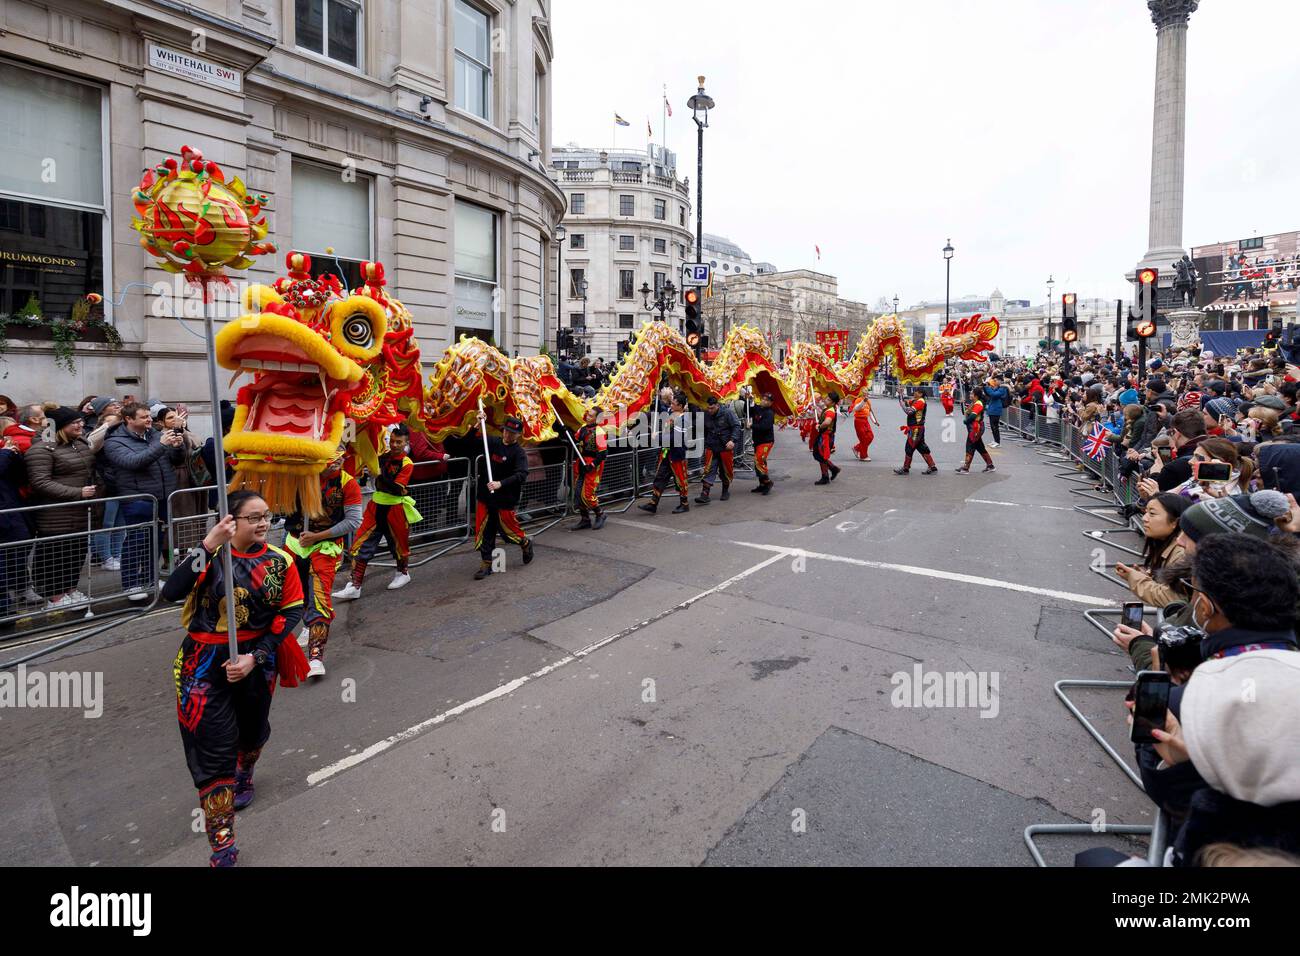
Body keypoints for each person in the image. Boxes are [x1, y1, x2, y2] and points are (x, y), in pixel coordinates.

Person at [163, 490, 309, 866]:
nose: (263, 523)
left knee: (253, 732)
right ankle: (223, 845)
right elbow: (170, 593)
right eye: (253, 517)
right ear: (231, 521)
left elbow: (293, 611)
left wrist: (256, 656)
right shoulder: (208, 558)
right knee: (212, 751)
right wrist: (209, 542)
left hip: (254, 661)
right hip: (201, 662)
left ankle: (246, 770)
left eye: (267, 516)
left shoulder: (281, 561)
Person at [284, 450, 363, 678]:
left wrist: (317, 537)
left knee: (320, 599)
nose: (337, 459)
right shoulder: (301, 476)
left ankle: (316, 657)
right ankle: (306, 626)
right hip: (294, 544)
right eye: (331, 455)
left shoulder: (348, 483)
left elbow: (353, 521)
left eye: (340, 453)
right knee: (294, 596)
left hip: (324, 548)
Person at [98, 401, 186, 600]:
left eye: (149, 416)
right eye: (144, 417)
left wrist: (178, 446)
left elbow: (176, 459)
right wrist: (161, 444)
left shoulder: (154, 434)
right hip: (138, 497)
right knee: (136, 542)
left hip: (163, 496)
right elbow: (134, 462)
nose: (149, 420)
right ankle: (130, 585)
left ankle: (149, 579)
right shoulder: (115, 441)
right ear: (129, 419)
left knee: (155, 540)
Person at [24, 407, 99, 610]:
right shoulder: (41, 449)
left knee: (76, 553)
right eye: (75, 422)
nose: (81, 425)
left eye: (81, 421)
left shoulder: (80, 444)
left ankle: (70, 590)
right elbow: (40, 482)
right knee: (56, 556)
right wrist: (78, 493)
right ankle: (55, 597)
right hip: (55, 515)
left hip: (81, 512)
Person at [336, 425, 420, 597]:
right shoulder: (381, 457)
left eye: (399, 442)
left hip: (395, 509)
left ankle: (403, 573)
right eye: (393, 441)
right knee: (361, 543)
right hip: (375, 507)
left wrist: (378, 473)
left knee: (398, 545)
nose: (395, 445)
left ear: (406, 443)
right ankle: (355, 585)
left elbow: (397, 488)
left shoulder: (407, 463)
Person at [472, 414, 533, 579]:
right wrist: (478, 424)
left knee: (508, 533)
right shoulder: (492, 443)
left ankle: (525, 543)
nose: (508, 435)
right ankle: (486, 564)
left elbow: (521, 474)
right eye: (506, 431)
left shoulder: (519, 453)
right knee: (486, 531)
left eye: (512, 433)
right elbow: (470, 442)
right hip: (486, 497)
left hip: (505, 499)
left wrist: (501, 483)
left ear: (518, 434)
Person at [1114, 493, 1192, 608]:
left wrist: (1135, 578)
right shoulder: (1166, 544)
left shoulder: (1182, 553)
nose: (1144, 518)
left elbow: (1171, 598)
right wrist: (1147, 578)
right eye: (1145, 512)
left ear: (1175, 522)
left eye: (1152, 514)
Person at [639, 390, 691, 515]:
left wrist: (658, 437)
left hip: (677, 454)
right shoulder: (670, 413)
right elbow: (660, 408)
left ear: (680, 406)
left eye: (673, 404)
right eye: (671, 403)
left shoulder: (683, 420)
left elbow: (674, 439)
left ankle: (684, 504)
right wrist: (656, 396)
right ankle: (653, 503)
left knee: (680, 480)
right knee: (660, 477)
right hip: (666, 453)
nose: (671, 405)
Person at [696, 395, 740, 504]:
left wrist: (732, 440)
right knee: (708, 470)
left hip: (725, 447)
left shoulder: (727, 413)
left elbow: (736, 426)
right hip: (711, 446)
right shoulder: (706, 414)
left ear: (717, 405)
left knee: (725, 470)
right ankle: (704, 494)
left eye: (712, 408)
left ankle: (725, 491)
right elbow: (703, 428)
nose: (710, 410)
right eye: (708, 408)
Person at [570, 406, 609, 530]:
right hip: (580, 462)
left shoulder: (600, 432)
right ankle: (585, 519)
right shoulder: (582, 429)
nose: (587, 417)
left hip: (593, 464)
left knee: (587, 494)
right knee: (577, 491)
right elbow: (574, 441)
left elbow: (603, 454)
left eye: (591, 416)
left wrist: (592, 465)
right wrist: (564, 432)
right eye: (588, 414)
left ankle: (600, 514)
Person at [894, 388, 938, 476]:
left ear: (920, 394)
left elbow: (908, 411)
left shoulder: (920, 402)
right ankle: (932, 466)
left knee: (909, 447)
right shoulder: (915, 400)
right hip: (916, 428)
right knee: (921, 447)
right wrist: (900, 394)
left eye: (916, 392)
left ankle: (906, 468)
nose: (914, 393)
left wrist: (902, 403)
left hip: (916, 429)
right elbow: (904, 402)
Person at [953, 388, 995, 474]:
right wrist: (962, 404)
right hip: (973, 428)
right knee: (980, 447)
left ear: (976, 395)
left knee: (970, 446)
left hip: (976, 428)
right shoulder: (973, 403)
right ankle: (990, 465)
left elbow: (972, 416)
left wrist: (966, 421)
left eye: (971, 394)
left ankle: (966, 468)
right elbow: (965, 413)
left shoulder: (978, 403)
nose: (970, 395)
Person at [749, 392, 776, 495]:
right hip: (757, 440)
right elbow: (748, 411)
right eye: (763, 399)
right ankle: (762, 485)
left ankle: (768, 482)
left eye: (767, 400)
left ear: (770, 403)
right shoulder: (758, 408)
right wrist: (749, 400)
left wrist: (752, 426)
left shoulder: (769, 413)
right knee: (760, 463)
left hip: (766, 441)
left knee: (758, 460)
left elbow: (764, 427)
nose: (764, 401)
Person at [811, 393, 841, 486]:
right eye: (826, 398)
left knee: (821, 456)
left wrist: (819, 426)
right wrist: (817, 410)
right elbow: (823, 417)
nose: (825, 400)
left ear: (833, 403)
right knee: (819, 455)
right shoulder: (828, 409)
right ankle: (832, 469)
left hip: (825, 437)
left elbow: (827, 421)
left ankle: (826, 476)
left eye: (828, 399)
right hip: (823, 436)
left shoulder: (831, 411)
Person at [983, 376, 1010, 447]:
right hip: (993, 409)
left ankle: (998, 442)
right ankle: (995, 441)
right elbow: (989, 394)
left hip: (996, 409)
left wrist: (988, 388)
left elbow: (994, 395)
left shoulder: (1003, 388)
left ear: (1000, 381)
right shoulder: (997, 388)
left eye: (996, 380)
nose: (994, 382)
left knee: (995, 426)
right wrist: (985, 387)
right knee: (993, 426)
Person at [851, 394, 880, 461]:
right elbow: (856, 408)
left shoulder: (868, 401)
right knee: (863, 439)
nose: (866, 394)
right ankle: (863, 456)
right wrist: (863, 401)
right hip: (859, 421)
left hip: (865, 421)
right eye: (864, 392)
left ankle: (857, 448)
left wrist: (875, 421)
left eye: (867, 392)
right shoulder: (858, 400)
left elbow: (870, 412)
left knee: (870, 436)